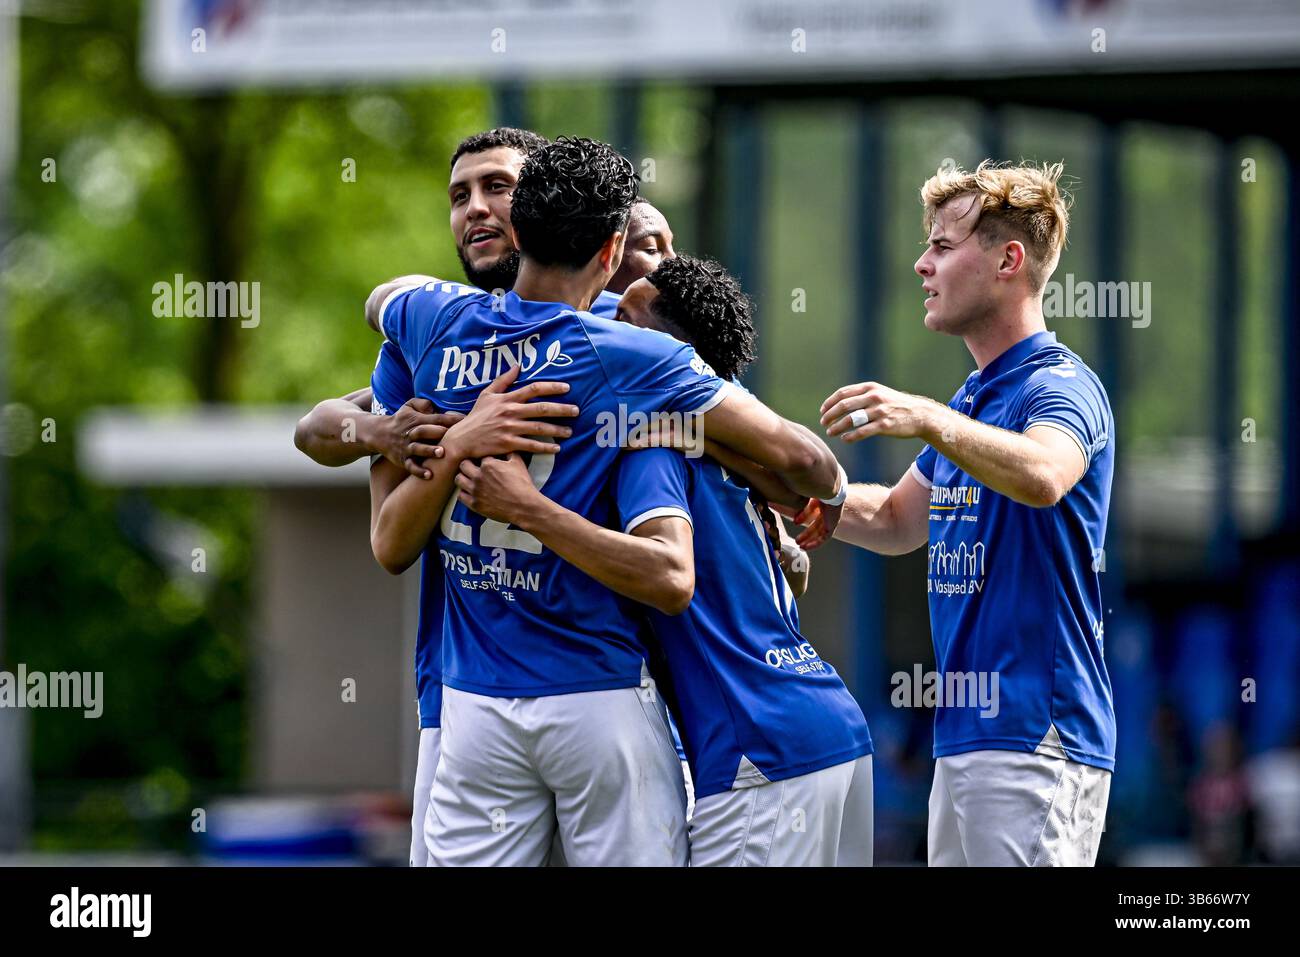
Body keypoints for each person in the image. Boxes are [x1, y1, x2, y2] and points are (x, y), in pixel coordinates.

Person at [368, 136, 845, 865]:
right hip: (597, 693)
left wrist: (386, 425)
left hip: (473, 705)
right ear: (612, 248)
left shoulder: (433, 320)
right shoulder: (634, 355)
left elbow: (380, 304)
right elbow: (803, 459)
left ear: (516, 227)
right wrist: (829, 494)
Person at [456, 254, 873, 865]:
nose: (602, 327)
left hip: (761, 753)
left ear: (665, 350)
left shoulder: (655, 447)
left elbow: (670, 576)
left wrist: (526, 508)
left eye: (622, 318)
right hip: (829, 729)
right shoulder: (723, 444)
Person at [816, 160, 1114, 866]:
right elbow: (893, 518)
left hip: (1034, 736)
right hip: (973, 741)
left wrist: (922, 416)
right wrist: (772, 489)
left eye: (943, 247)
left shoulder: (1059, 384)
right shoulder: (973, 399)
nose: (922, 264)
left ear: (1009, 259)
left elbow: (1044, 473)